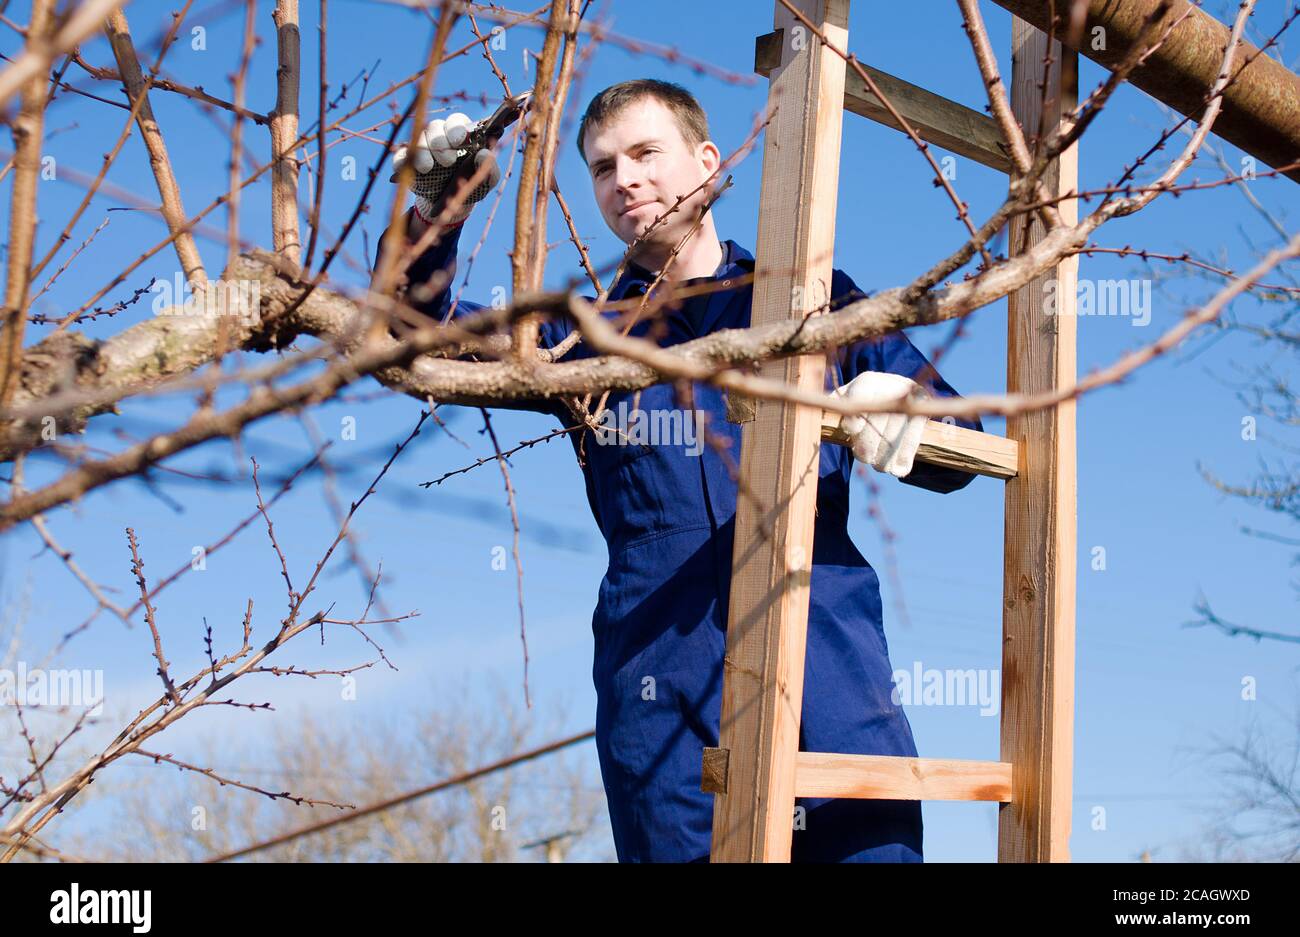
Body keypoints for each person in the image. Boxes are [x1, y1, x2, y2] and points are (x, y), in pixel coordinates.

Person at [374, 79, 985, 862]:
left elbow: (961, 435)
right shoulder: (580, 340)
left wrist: (901, 406)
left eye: (643, 153)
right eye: (601, 168)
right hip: (660, 695)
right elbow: (412, 339)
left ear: (706, 161)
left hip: (828, 669)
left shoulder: (814, 304)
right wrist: (432, 221)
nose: (623, 179)